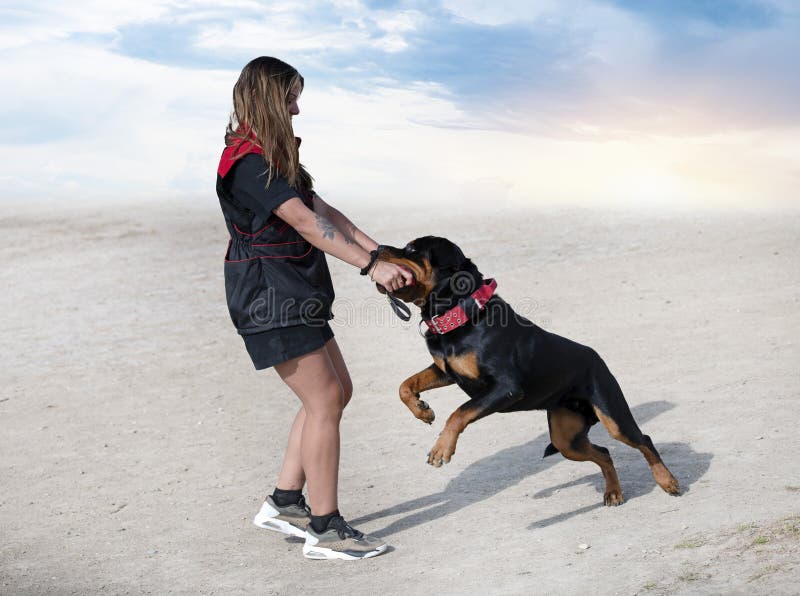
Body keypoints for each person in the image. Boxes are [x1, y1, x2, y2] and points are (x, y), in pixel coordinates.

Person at [215, 56, 413, 561]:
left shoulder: (274, 156)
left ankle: (284, 502)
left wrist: (383, 255)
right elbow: (304, 222)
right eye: (290, 99)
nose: (297, 109)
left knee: (336, 392)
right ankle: (325, 528)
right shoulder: (247, 164)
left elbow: (325, 211)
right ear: (268, 99)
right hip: (269, 301)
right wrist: (369, 269)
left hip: (295, 295)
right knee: (324, 401)